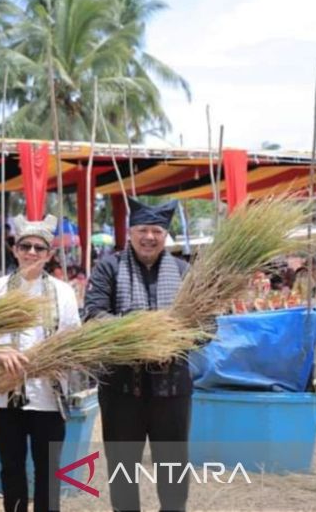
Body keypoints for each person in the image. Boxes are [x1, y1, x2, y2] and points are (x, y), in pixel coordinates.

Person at [83, 198, 191, 512]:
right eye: (143, 229)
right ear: (130, 232)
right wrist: (144, 334)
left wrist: (172, 342)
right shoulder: (109, 267)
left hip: (171, 389)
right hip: (121, 389)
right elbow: (93, 315)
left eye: (157, 230)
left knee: (172, 472)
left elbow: (206, 325)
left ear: (164, 236)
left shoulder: (185, 272)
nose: (149, 237)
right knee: (123, 470)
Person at [0, 215, 81, 512]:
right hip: (6, 393)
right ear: (15, 250)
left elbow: (73, 338)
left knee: (48, 470)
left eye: (40, 248)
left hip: (49, 396)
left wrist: (53, 357)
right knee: (10, 468)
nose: (32, 253)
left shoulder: (63, 292)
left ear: (50, 255)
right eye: (26, 246)